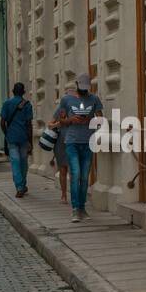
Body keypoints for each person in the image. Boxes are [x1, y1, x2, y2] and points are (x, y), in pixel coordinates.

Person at [54, 73, 103, 223]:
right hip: (72, 142)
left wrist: (91, 120)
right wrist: (70, 119)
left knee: (84, 176)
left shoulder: (94, 99)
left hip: (88, 142)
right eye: (81, 88)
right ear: (76, 84)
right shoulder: (66, 100)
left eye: (86, 89)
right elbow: (60, 120)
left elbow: (101, 120)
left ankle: (82, 207)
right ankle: (75, 209)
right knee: (75, 174)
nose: (84, 91)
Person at [0, 82, 34, 197]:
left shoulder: (7, 103)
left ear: (13, 91)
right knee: (23, 162)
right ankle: (23, 184)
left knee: (15, 162)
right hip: (24, 137)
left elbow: (2, 122)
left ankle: (19, 187)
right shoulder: (27, 105)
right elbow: (29, 124)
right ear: (23, 92)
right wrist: (30, 141)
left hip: (12, 137)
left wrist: (7, 134)